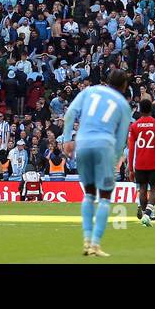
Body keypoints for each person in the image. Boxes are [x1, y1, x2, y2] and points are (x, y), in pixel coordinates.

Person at [62, 69, 132, 257]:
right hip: (105, 146)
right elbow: (121, 137)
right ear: (124, 86)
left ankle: (85, 240)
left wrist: (67, 139)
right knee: (105, 197)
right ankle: (95, 244)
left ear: (107, 81)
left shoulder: (89, 91)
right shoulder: (123, 105)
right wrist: (116, 159)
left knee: (89, 193)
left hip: (82, 144)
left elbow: (70, 113)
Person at [127, 98, 155, 226]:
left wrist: (131, 168)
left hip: (140, 163)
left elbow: (131, 148)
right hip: (154, 163)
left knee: (142, 189)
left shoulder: (134, 126)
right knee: (154, 189)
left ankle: (145, 214)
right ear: (151, 110)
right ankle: (148, 214)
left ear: (139, 109)